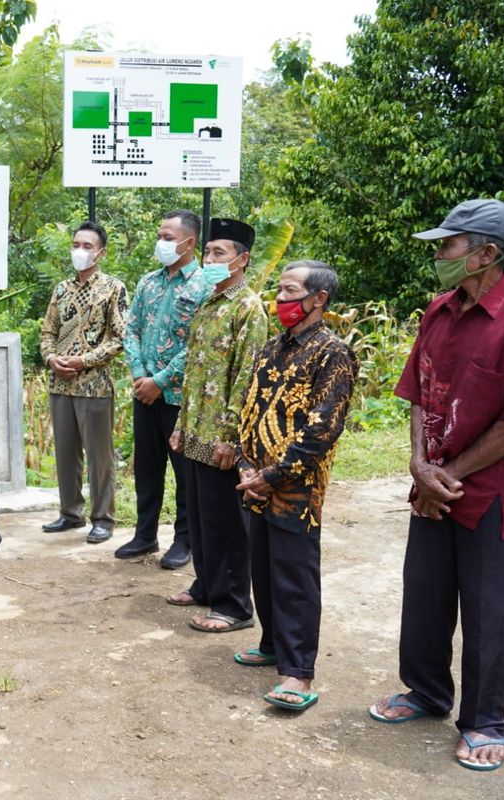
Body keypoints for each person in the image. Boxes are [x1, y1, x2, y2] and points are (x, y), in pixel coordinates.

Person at [369, 199, 504, 772]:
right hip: (432, 485)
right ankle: (425, 692)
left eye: (448, 245)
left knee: (488, 612)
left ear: (487, 253)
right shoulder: (438, 310)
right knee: (425, 596)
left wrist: (451, 474)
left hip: (489, 493)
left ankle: (485, 720)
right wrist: (420, 464)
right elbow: (418, 391)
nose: (439, 255)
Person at [235, 260, 356, 712]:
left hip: (297, 488)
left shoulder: (333, 353)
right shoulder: (271, 348)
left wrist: (272, 476)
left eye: (289, 291)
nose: (280, 299)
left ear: (318, 299)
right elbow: (249, 409)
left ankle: (297, 673)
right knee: (263, 569)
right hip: (255, 481)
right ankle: (271, 645)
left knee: (294, 578)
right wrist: (248, 468)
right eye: (280, 290)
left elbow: (322, 430)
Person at [167, 218, 268, 632]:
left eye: (218, 253)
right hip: (194, 431)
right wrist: (180, 424)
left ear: (241, 260)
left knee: (227, 522)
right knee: (202, 515)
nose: (209, 259)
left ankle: (234, 606)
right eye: (207, 252)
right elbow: (195, 371)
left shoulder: (250, 309)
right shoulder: (210, 302)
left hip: (222, 438)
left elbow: (247, 377)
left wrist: (231, 438)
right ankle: (207, 585)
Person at [116, 209, 212, 567]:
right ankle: (145, 535)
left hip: (178, 397)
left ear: (189, 242)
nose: (161, 242)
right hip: (145, 393)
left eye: (168, 237)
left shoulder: (204, 285)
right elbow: (132, 329)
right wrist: (141, 376)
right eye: (160, 235)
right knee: (147, 468)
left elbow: (200, 344)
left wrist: (160, 380)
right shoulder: (148, 283)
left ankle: (184, 541)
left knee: (185, 474)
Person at [38, 220, 128, 544]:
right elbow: (47, 332)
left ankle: (103, 518)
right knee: (65, 452)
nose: (80, 251)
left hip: (95, 385)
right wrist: (52, 359)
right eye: (76, 244)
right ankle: (69, 513)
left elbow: (120, 338)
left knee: (99, 456)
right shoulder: (61, 289)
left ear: (100, 253)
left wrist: (84, 361)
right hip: (60, 383)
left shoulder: (113, 288)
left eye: (87, 246)